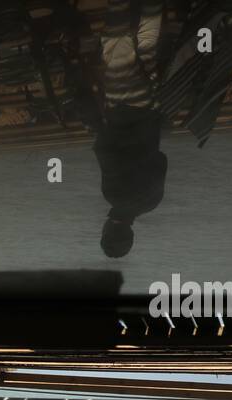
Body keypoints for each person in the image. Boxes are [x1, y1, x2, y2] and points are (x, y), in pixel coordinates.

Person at [94, 1, 167, 259]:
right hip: (125, 105)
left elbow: (161, 160)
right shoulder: (113, 195)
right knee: (115, 43)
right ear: (105, 230)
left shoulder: (151, 203)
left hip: (150, 109)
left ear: (131, 234)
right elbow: (104, 150)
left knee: (146, 45)